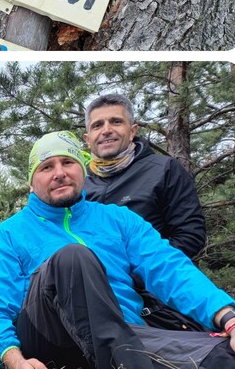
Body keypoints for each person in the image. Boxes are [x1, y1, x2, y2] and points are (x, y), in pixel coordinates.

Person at [0, 132, 235, 369]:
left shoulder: (118, 219)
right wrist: (13, 359)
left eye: (68, 162)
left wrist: (231, 319)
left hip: (127, 334)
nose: (59, 172)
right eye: (46, 166)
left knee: (224, 354)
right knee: (73, 259)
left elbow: (170, 268)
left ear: (83, 168)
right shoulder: (10, 233)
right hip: (50, 336)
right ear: (31, 180)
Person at [82, 93, 206, 259]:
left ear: (133, 130)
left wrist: (135, 276)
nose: (106, 130)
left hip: (147, 281)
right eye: (97, 125)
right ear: (88, 139)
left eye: (116, 122)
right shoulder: (78, 180)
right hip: (88, 280)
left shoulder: (164, 170)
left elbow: (190, 236)